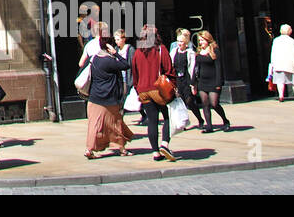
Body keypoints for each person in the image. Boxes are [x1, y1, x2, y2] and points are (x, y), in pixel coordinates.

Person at [131, 25, 177, 162]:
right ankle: (165, 144)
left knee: (152, 121)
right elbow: (169, 70)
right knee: (168, 117)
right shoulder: (160, 49)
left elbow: (134, 73)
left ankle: (155, 152)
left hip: (143, 90)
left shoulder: (138, 52)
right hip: (158, 89)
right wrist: (174, 85)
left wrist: (137, 88)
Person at [85, 35, 133, 158]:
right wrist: (116, 53)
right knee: (116, 124)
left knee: (94, 125)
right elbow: (126, 65)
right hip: (109, 98)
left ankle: (89, 150)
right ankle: (122, 149)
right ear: (109, 46)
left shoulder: (94, 58)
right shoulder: (110, 61)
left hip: (94, 97)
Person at [194, 30, 231, 132]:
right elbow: (196, 68)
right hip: (202, 81)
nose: (200, 42)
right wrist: (194, 83)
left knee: (214, 103)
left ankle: (225, 120)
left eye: (202, 40)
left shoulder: (215, 50)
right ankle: (209, 126)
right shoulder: (198, 52)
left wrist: (219, 83)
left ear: (208, 39)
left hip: (213, 81)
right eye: (199, 40)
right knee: (205, 104)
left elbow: (219, 67)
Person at [169, 27, 205, 129]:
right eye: (178, 41)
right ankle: (183, 122)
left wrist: (193, 83)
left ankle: (200, 119)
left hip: (187, 79)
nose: (179, 43)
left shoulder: (190, 53)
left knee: (189, 101)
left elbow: (193, 68)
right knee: (181, 102)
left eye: (181, 42)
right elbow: (170, 66)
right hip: (177, 80)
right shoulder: (173, 52)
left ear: (185, 42)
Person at [269, 24, 294, 101]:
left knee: (280, 80)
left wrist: (272, 63)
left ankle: (281, 95)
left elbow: (273, 53)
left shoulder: (276, 40)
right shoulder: (292, 41)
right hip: (290, 63)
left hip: (279, 63)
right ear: (289, 31)